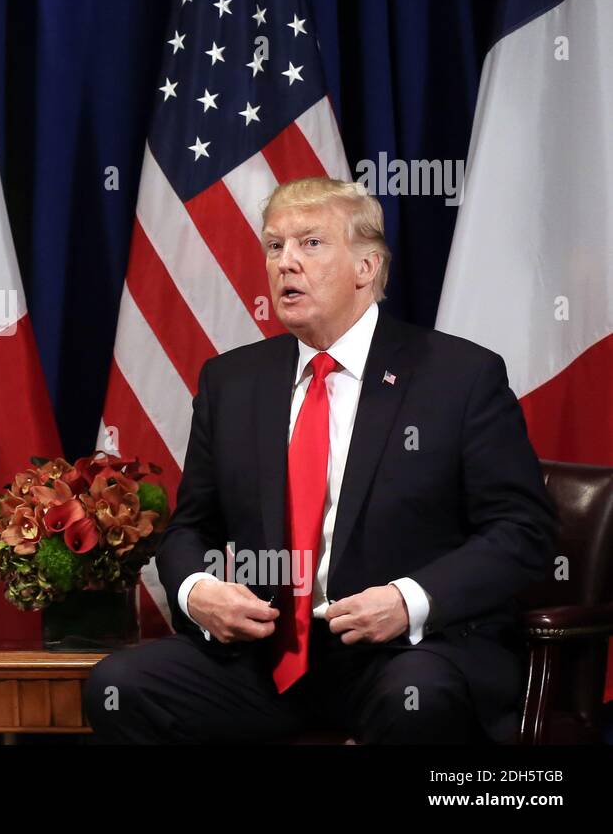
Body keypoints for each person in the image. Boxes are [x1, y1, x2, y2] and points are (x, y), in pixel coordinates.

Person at [86, 177, 556, 744]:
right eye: (274, 245)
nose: (286, 263)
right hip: (267, 658)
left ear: (366, 267)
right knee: (122, 685)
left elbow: (523, 531)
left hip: (408, 653)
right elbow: (191, 528)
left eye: (310, 244)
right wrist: (196, 592)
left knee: (417, 702)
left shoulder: (459, 377)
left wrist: (409, 601)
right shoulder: (231, 382)